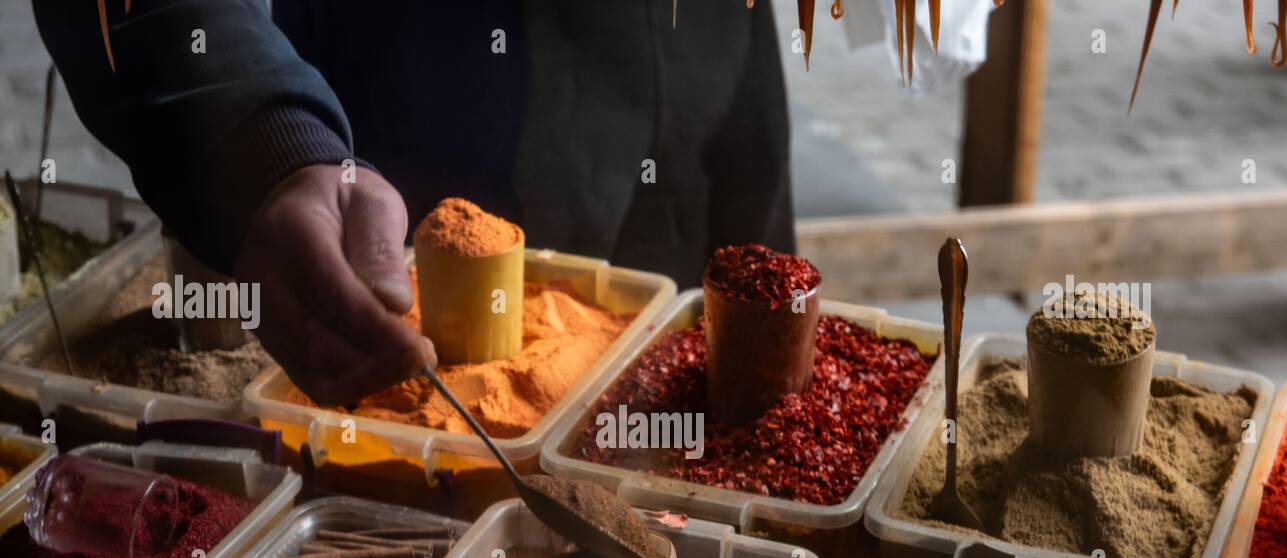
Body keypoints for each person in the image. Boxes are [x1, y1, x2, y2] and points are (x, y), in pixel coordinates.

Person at [33, 0, 794, 404]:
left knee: (718, 399)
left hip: (709, 59)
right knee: (417, 416)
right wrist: (266, 137)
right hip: (413, 87)